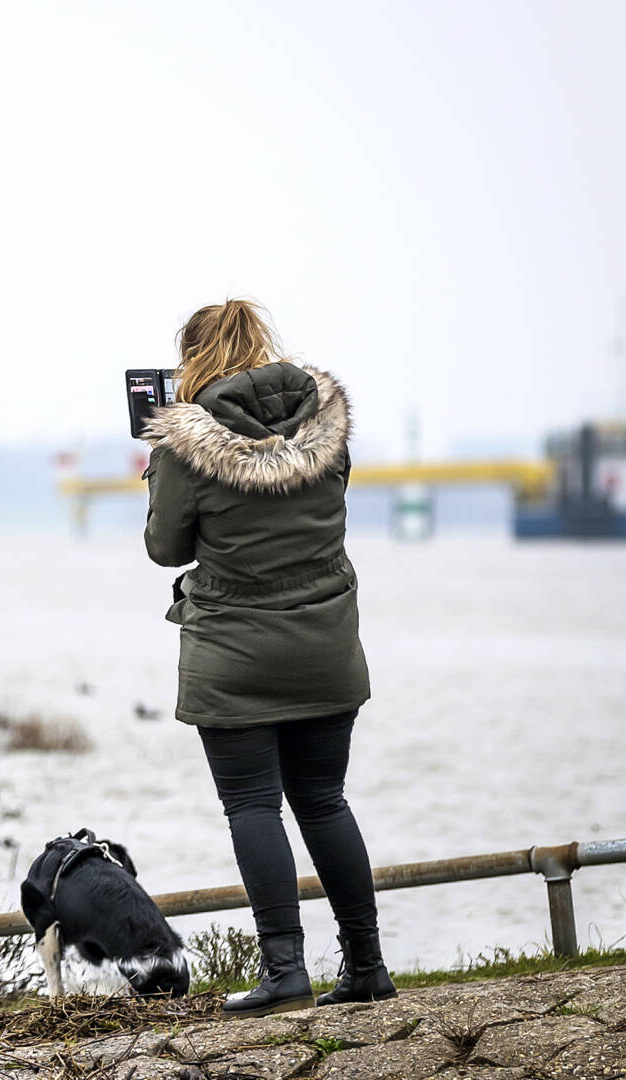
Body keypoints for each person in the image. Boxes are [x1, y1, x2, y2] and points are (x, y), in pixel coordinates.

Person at [141, 299, 393, 1017]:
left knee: (253, 804)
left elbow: (167, 548)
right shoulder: (328, 426)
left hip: (235, 651)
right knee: (324, 801)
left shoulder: (184, 444)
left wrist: (158, 468)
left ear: (193, 359)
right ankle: (368, 964)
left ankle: (285, 970)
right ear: (265, 347)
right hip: (326, 645)